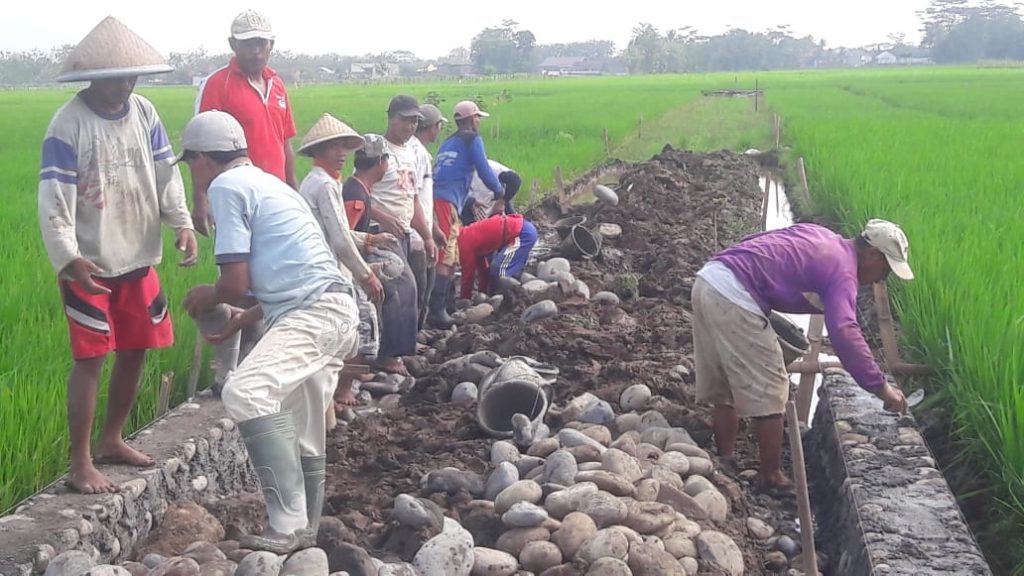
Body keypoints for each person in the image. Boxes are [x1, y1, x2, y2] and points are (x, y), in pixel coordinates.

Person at [178, 111, 359, 554]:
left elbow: (234, 283)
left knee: (244, 391)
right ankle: (305, 533)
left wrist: (211, 295)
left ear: (203, 159)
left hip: (311, 314)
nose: (193, 175)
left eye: (191, 165)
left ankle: (286, 526)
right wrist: (246, 315)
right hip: (337, 308)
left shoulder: (225, 186)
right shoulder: (272, 183)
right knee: (305, 424)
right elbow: (297, 268)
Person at [37, 16, 197, 495]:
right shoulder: (68, 125)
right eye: (117, 77)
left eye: (133, 76)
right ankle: (81, 461)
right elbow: (54, 200)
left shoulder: (144, 113)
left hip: (138, 255)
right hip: (90, 263)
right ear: (95, 77)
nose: (126, 85)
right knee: (91, 358)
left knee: (137, 348)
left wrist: (183, 223)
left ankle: (112, 439)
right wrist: (68, 258)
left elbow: (166, 176)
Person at [691, 219, 913, 496]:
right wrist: (882, 388)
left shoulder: (824, 237)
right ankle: (771, 476)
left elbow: (762, 243)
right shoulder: (843, 271)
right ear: (872, 254)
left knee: (725, 384)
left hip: (710, 279)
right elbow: (845, 333)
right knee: (773, 387)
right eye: (885, 269)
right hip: (736, 294)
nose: (882, 278)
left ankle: (724, 460)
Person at [193, 9, 297, 394]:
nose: (256, 51)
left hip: (273, 201)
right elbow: (199, 147)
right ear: (233, 45)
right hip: (234, 197)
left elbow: (285, 142)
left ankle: (256, 366)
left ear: (271, 45)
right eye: (248, 43)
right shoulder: (218, 84)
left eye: (262, 43)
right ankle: (227, 375)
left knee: (266, 282)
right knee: (237, 281)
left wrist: (294, 191)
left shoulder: (277, 84)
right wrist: (200, 198)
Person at [296, 113, 390, 408]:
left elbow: (337, 230)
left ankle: (333, 395)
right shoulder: (323, 185)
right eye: (333, 147)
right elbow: (338, 240)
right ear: (316, 151)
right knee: (359, 325)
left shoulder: (321, 181)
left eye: (344, 147)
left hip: (319, 270)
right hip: (328, 272)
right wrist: (367, 276)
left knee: (338, 332)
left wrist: (369, 239)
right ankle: (339, 392)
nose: (341, 154)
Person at [370, 95, 436, 373]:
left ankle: (403, 345)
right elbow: (357, 193)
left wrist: (429, 235)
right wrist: (383, 218)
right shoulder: (376, 148)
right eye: (405, 120)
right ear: (390, 117)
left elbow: (413, 199)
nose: (410, 127)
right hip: (380, 232)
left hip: (407, 231)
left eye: (414, 122)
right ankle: (387, 356)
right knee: (401, 287)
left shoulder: (411, 152)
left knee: (416, 285)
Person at [430, 100, 505, 329]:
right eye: (478, 118)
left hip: (439, 200)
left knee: (451, 252)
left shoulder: (448, 143)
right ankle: (436, 312)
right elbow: (483, 169)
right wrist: (500, 191)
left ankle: (448, 305)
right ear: (472, 119)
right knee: (446, 255)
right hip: (446, 201)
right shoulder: (472, 139)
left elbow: (451, 172)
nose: (479, 122)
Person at [409, 104, 448, 329]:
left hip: (421, 228)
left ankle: (416, 333)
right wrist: (428, 234)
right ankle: (412, 336)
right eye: (439, 126)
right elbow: (413, 197)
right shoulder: (418, 154)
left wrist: (433, 228)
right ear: (432, 127)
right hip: (417, 232)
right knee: (419, 286)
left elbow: (423, 196)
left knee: (422, 284)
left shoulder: (414, 150)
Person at [457, 213, 537, 300]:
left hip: (522, 234)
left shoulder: (463, 243)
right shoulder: (468, 236)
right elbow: (483, 269)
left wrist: (464, 299)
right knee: (496, 269)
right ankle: (498, 295)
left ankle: (516, 296)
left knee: (498, 269)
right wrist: (483, 292)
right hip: (521, 229)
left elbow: (468, 275)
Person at [463, 160, 522, 225]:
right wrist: (471, 202)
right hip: (479, 202)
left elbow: (516, 180)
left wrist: (501, 202)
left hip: (489, 194)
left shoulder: (490, 170)